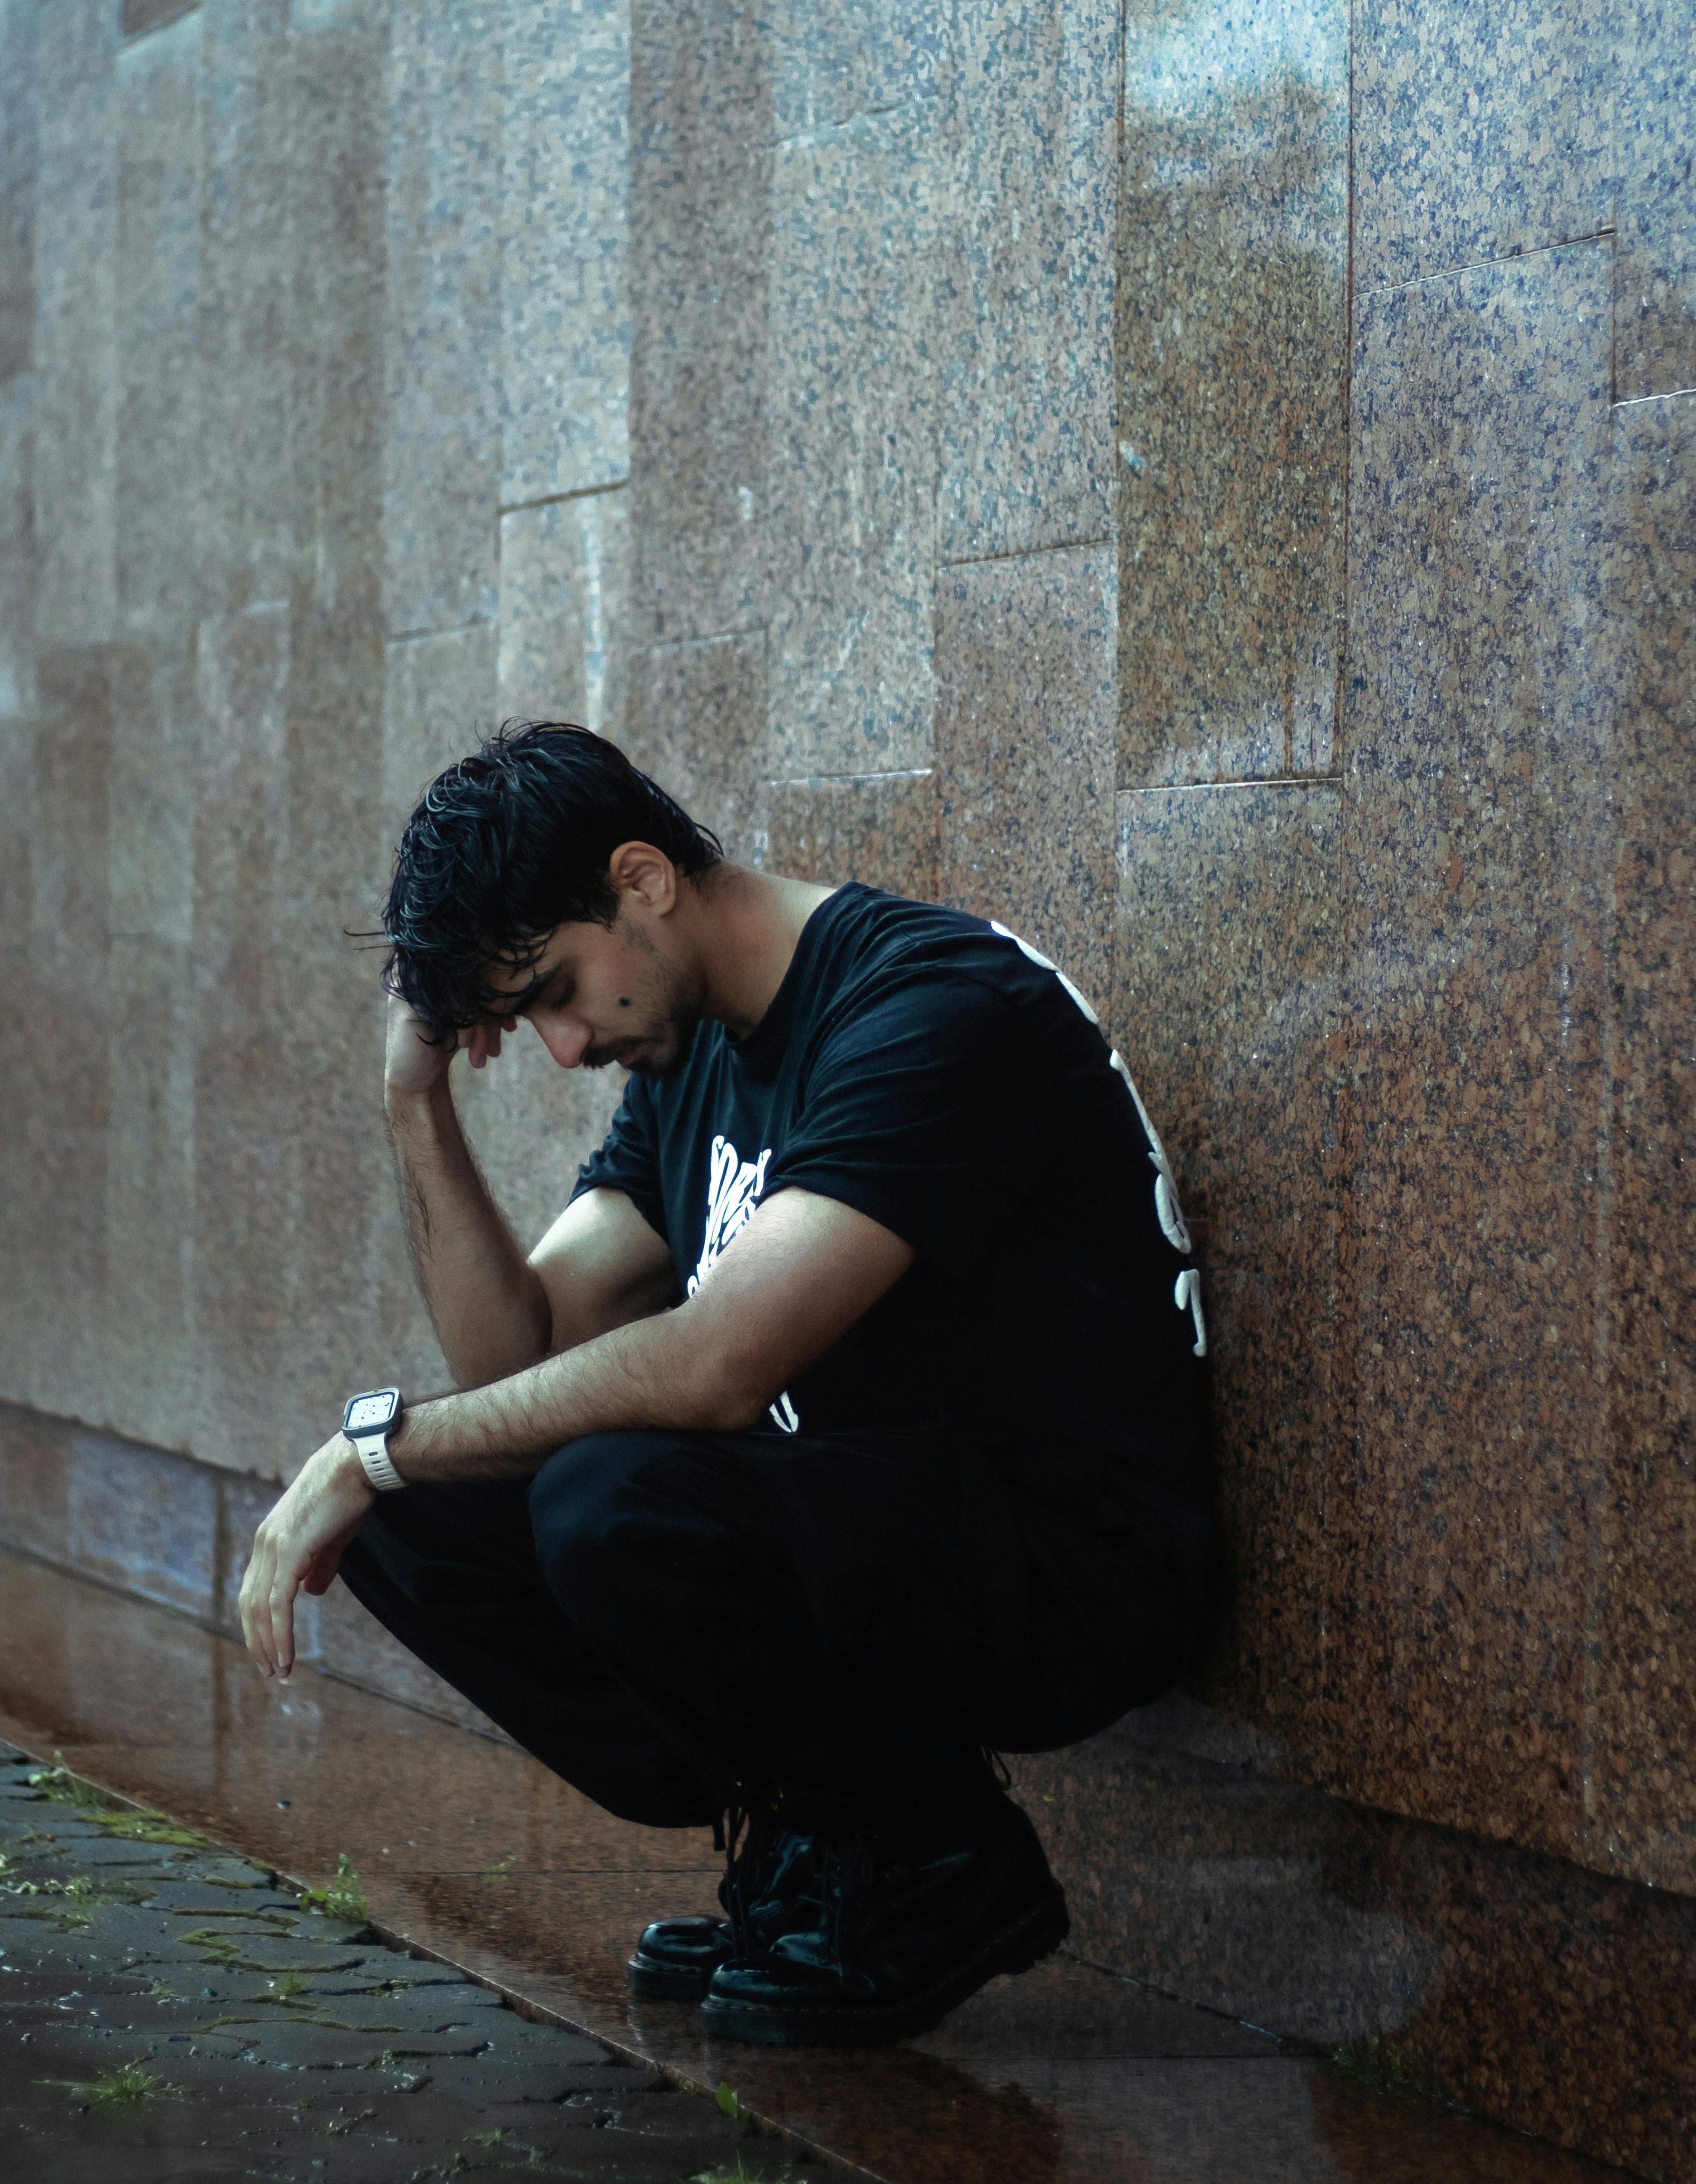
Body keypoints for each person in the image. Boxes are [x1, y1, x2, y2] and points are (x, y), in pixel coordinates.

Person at [238, 721, 1219, 2047]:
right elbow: (519, 1361)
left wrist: (371, 1445)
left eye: (558, 991)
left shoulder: (928, 1006)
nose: (568, 1048)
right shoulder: (696, 1052)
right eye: (527, 1019)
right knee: (422, 1516)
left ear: (642, 881)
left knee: (593, 1491)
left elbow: (716, 1365)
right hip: (885, 1536)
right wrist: (414, 1101)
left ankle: (929, 1858)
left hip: (1070, 1575)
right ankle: (823, 1843)